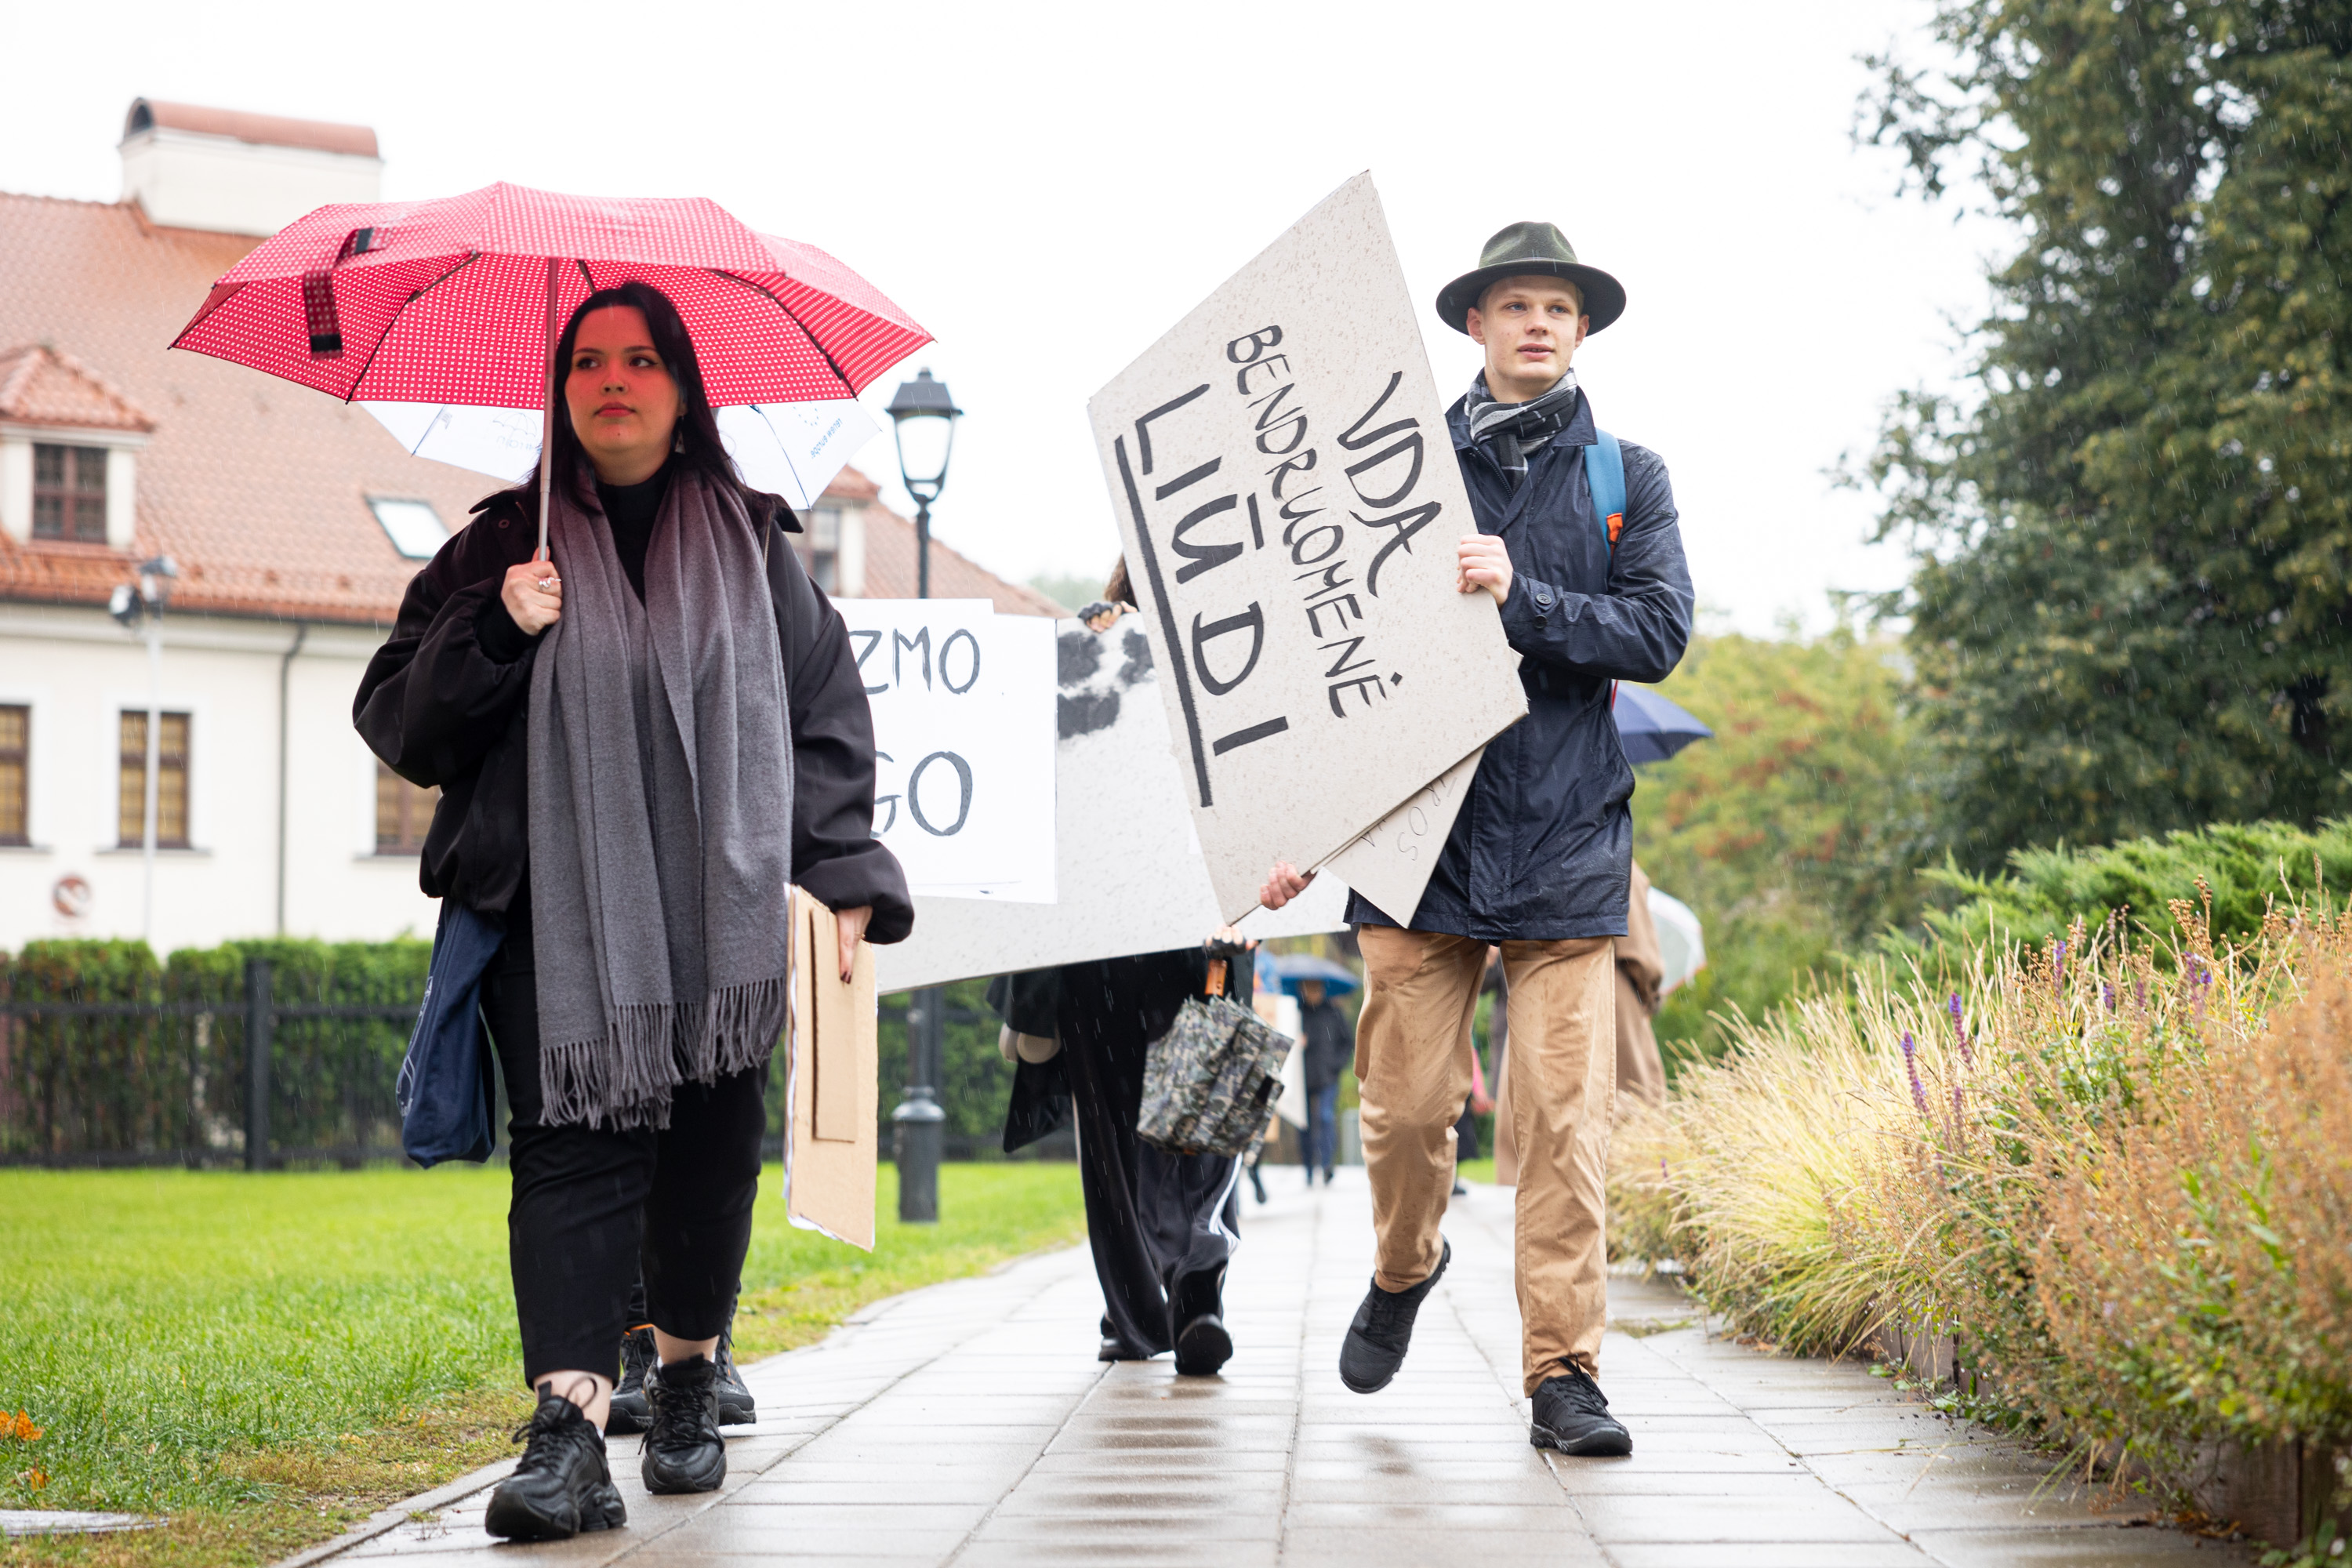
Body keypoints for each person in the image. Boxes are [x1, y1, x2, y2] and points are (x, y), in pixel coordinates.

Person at [356, 282, 912, 1542]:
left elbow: (824, 717)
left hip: (717, 918)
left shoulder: (759, 547)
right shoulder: (501, 544)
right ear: (558, 391)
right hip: (552, 917)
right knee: (570, 1147)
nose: (615, 380)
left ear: (684, 389)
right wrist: (495, 630)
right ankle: (566, 1435)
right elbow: (398, 719)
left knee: (711, 1146)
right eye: (590, 361)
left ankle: (685, 1380)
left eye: (643, 360)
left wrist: (841, 873)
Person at [1259, 222, 1692, 1457]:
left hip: (1566, 845)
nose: (1539, 324)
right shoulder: (1394, 469)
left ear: (1584, 328)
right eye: (1516, 306)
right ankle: (1407, 1265)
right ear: (1475, 326)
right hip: (1419, 849)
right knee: (1401, 1115)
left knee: (1560, 1125)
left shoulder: (1628, 478)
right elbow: (1325, 656)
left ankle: (1565, 1374)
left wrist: (1525, 597)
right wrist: (1299, 823)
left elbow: (1656, 631)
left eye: (1559, 306)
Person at [990, 935, 1254, 1375]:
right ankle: (1182, 1297)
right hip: (1150, 943)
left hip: (1118, 946)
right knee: (1172, 1124)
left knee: (1122, 1132)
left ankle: (1148, 1305)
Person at [1295, 978, 1350, 1185]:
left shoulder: (1333, 1013)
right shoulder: (1296, 1012)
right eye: (1308, 988)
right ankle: (1309, 1168)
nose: (1312, 992)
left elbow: (1347, 1043)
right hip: (1303, 1077)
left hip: (1328, 1076)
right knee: (1305, 1124)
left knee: (1326, 1118)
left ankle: (1326, 1165)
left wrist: (1336, 1065)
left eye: (1316, 988)